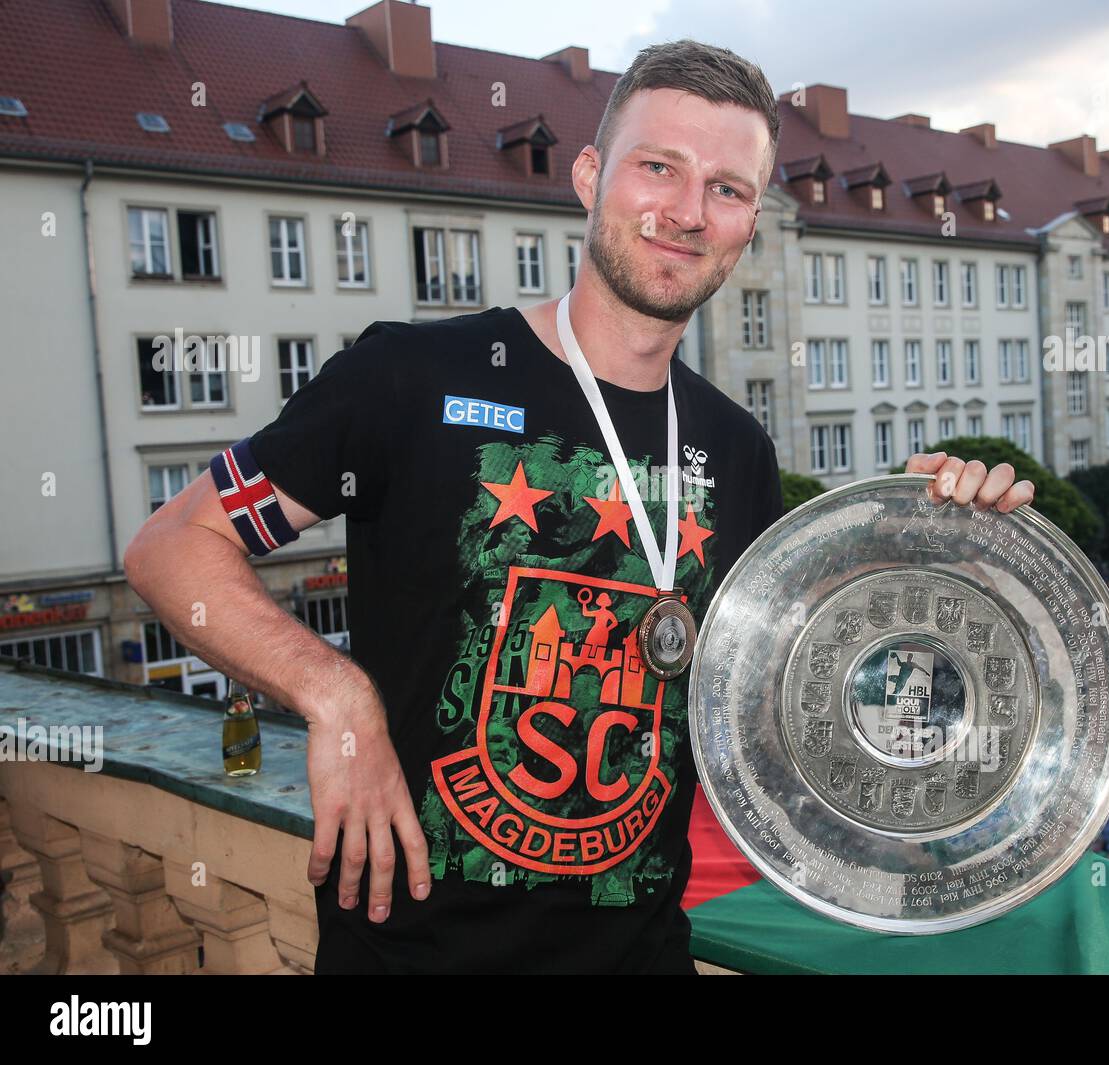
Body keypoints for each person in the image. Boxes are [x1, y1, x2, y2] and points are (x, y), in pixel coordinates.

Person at [122, 39, 1034, 975]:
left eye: (726, 189)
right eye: (658, 168)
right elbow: (172, 546)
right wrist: (337, 698)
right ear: (590, 177)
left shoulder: (736, 449)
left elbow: (787, 708)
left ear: (749, 224)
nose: (686, 211)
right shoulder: (408, 378)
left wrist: (913, 542)